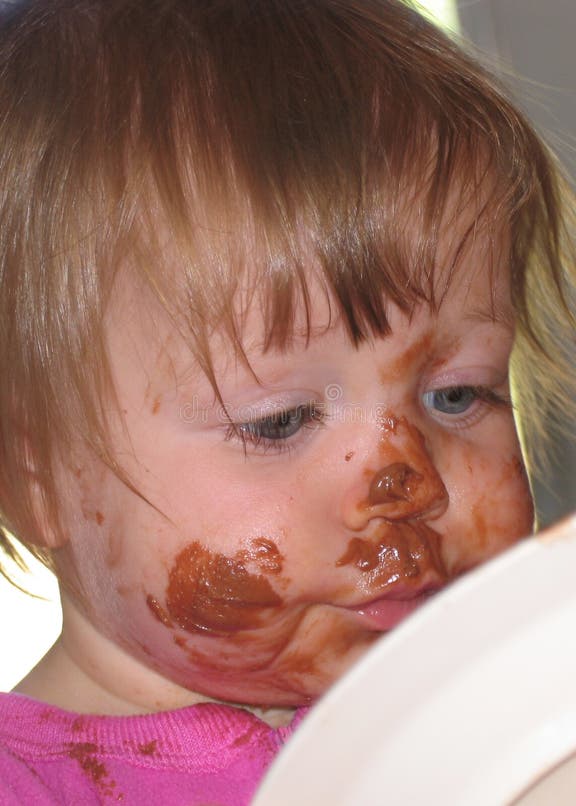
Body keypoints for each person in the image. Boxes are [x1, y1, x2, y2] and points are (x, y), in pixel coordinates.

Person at [0, 0, 574, 803]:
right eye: (280, 421)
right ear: (38, 479)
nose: (406, 485)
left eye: (457, 394)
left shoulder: (522, 712)